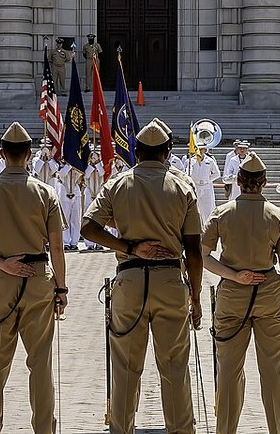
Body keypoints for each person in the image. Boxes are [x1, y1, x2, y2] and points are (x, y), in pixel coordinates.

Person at [81, 118, 204, 434]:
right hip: (169, 282)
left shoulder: (118, 184)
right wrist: (196, 296)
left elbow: (88, 227)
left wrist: (128, 246)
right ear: (167, 152)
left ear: (136, 152)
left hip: (130, 281)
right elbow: (194, 249)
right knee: (175, 368)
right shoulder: (182, 186)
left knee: (125, 368)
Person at [0, 122, 67, 434]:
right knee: (40, 364)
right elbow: (57, 246)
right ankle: (44, 428)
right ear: (29, 155)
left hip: (1, 281)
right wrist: (61, 288)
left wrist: (0, 263)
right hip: (38, 279)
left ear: (2, 154)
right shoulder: (45, 192)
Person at [203, 152, 280, 434]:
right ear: (265, 183)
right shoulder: (278, 217)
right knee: (273, 373)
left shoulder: (221, 214)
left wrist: (235, 275)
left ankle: (225, 430)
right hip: (269, 293)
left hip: (232, 294)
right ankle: (279, 430)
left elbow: (204, 256)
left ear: (239, 181)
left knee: (229, 373)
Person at [189, 145, 222, 225]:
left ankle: (207, 227)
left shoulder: (210, 160)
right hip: (195, 186)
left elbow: (217, 174)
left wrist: (207, 179)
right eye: (199, 149)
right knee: (195, 208)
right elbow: (188, 173)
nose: (200, 151)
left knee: (208, 208)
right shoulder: (191, 161)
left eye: (202, 149)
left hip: (206, 186)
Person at [58, 162, 85, 252]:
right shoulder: (60, 164)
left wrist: (75, 164)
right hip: (64, 191)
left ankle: (74, 242)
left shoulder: (76, 164)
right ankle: (65, 242)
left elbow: (81, 174)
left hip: (75, 191)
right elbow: (61, 174)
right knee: (65, 218)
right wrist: (69, 164)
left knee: (76, 219)